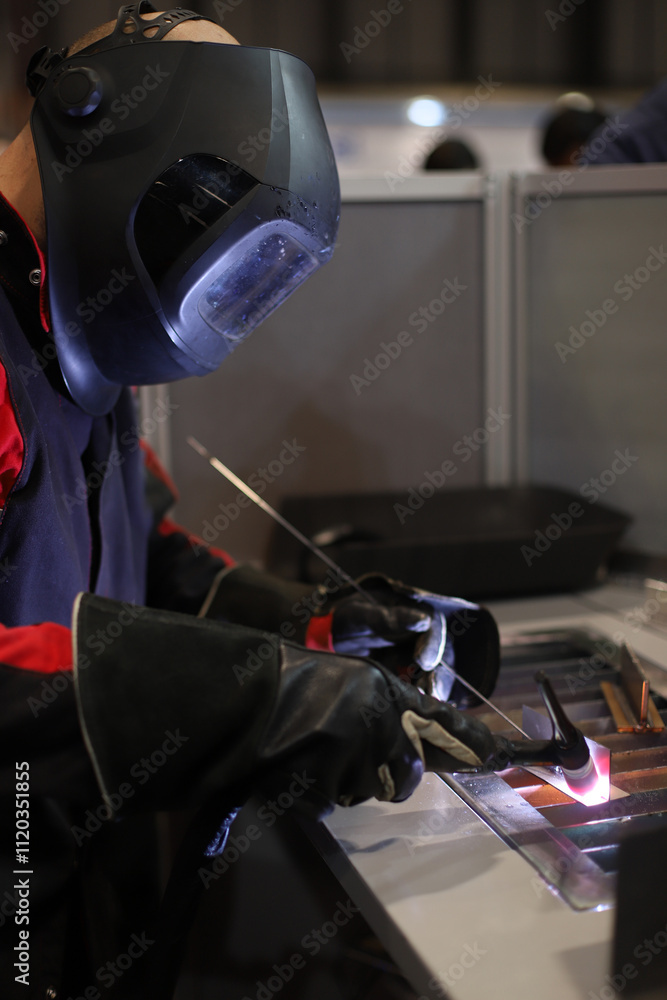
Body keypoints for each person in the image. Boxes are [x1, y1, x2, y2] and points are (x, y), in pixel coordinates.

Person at [0, 4, 501, 997]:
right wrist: (254, 695)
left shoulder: (73, 339)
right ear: (88, 118)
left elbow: (142, 557)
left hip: (82, 889)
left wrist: (310, 631)